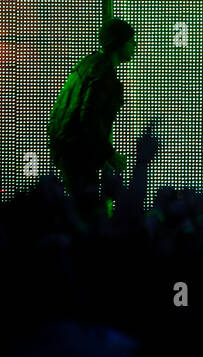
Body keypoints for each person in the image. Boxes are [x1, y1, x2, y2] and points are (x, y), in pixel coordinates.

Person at [48, 18, 137, 215]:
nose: (135, 47)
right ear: (119, 43)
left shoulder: (90, 64)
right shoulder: (103, 73)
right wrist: (109, 154)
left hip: (68, 146)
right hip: (76, 151)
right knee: (84, 209)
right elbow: (88, 118)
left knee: (80, 204)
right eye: (131, 41)